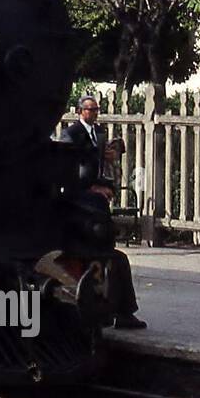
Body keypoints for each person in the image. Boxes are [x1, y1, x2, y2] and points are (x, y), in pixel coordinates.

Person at [59, 95, 147, 329]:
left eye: (97, 109)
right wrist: (91, 186)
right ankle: (120, 310)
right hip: (80, 197)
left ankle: (119, 310)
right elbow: (72, 167)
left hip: (95, 200)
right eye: (90, 109)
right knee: (111, 253)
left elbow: (102, 163)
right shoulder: (71, 133)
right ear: (80, 111)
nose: (95, 113)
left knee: (112, 255)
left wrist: (107, 183)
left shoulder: (99, 133)